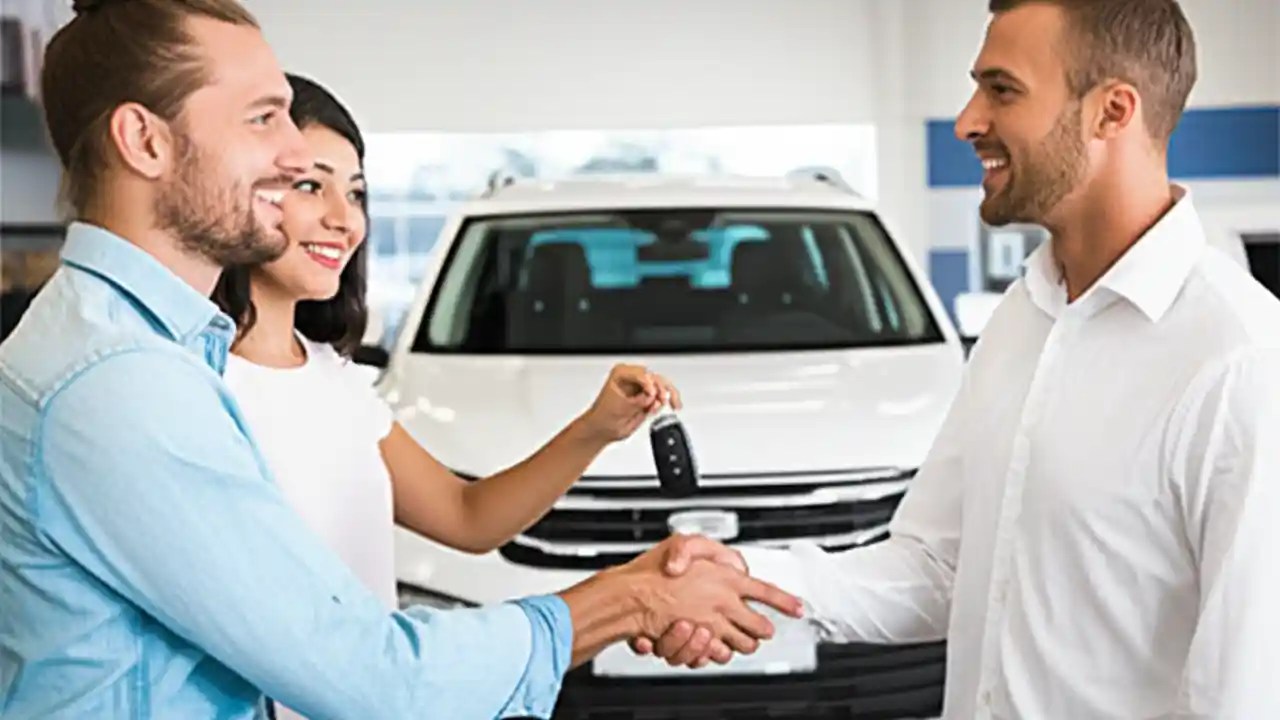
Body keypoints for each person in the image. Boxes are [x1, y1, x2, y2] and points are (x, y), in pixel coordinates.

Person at [0, 2, 801, 719]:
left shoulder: (152, 355)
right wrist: (628, 602)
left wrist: (623, 564)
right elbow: (366, 674)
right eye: (263, 119)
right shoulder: (120, 382)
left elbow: (453, 527)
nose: (289, 159)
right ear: (144, 140)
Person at [638, 0, 1280, 717]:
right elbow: (939, 567)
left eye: (1002, 90)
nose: (968, 121)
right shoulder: (1025, 315)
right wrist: (744, 572)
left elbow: (1246, 693)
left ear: (1112, 111)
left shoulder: (1240, 362)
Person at [208, 73, 706, 718]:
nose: (344, 219)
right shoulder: (201, 384)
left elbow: (470, 517)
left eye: (355, 192)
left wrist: (597, 428)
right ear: (243, 192)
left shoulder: (335, 378)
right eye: (310, 184)